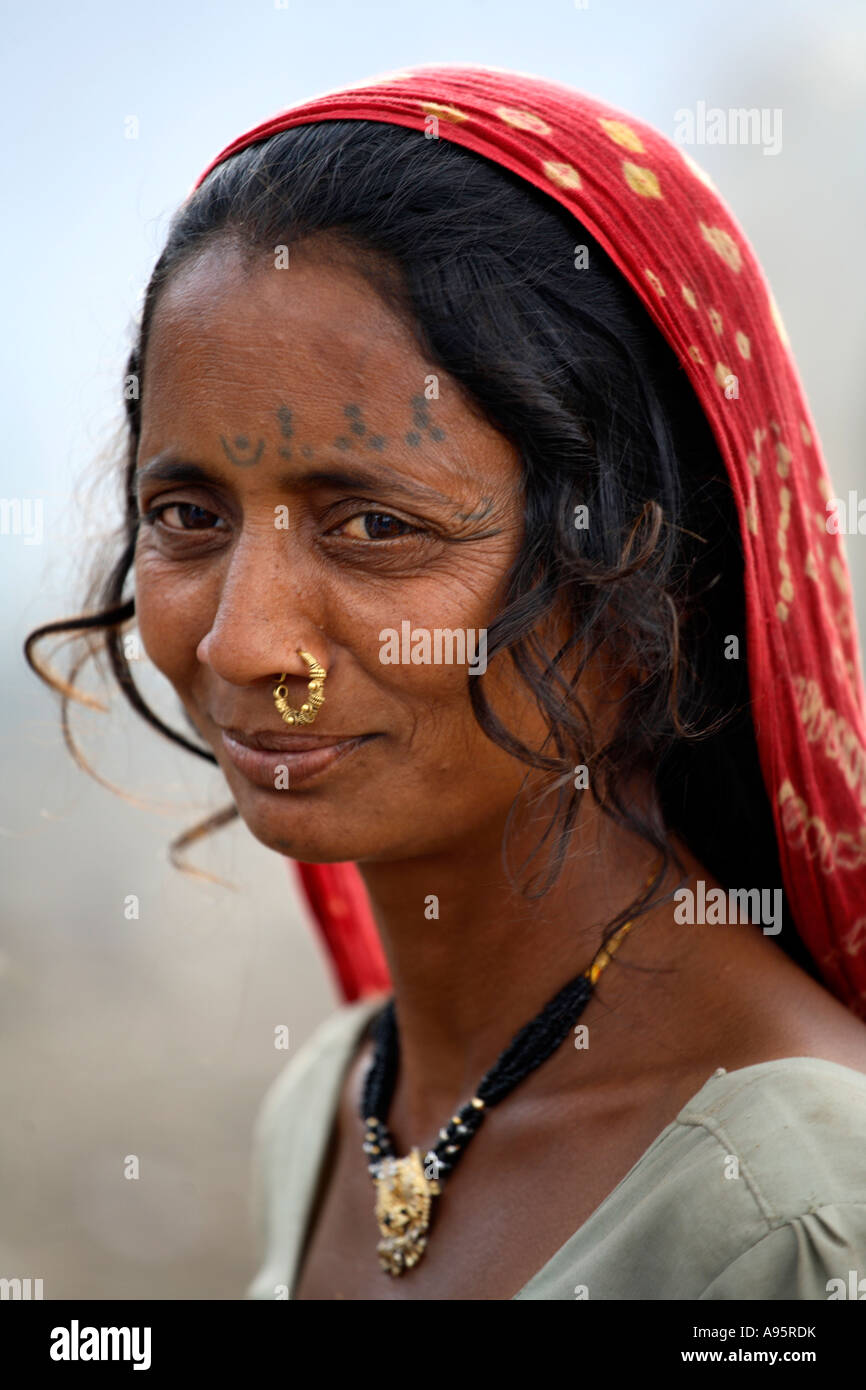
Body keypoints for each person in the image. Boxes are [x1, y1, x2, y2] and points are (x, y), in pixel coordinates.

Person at [26, 63, 866, 1300]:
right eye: (189, 512)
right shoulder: (329, 1109)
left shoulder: (795, 1218)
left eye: (372, 527)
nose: (243, 643)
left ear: (646, 564)